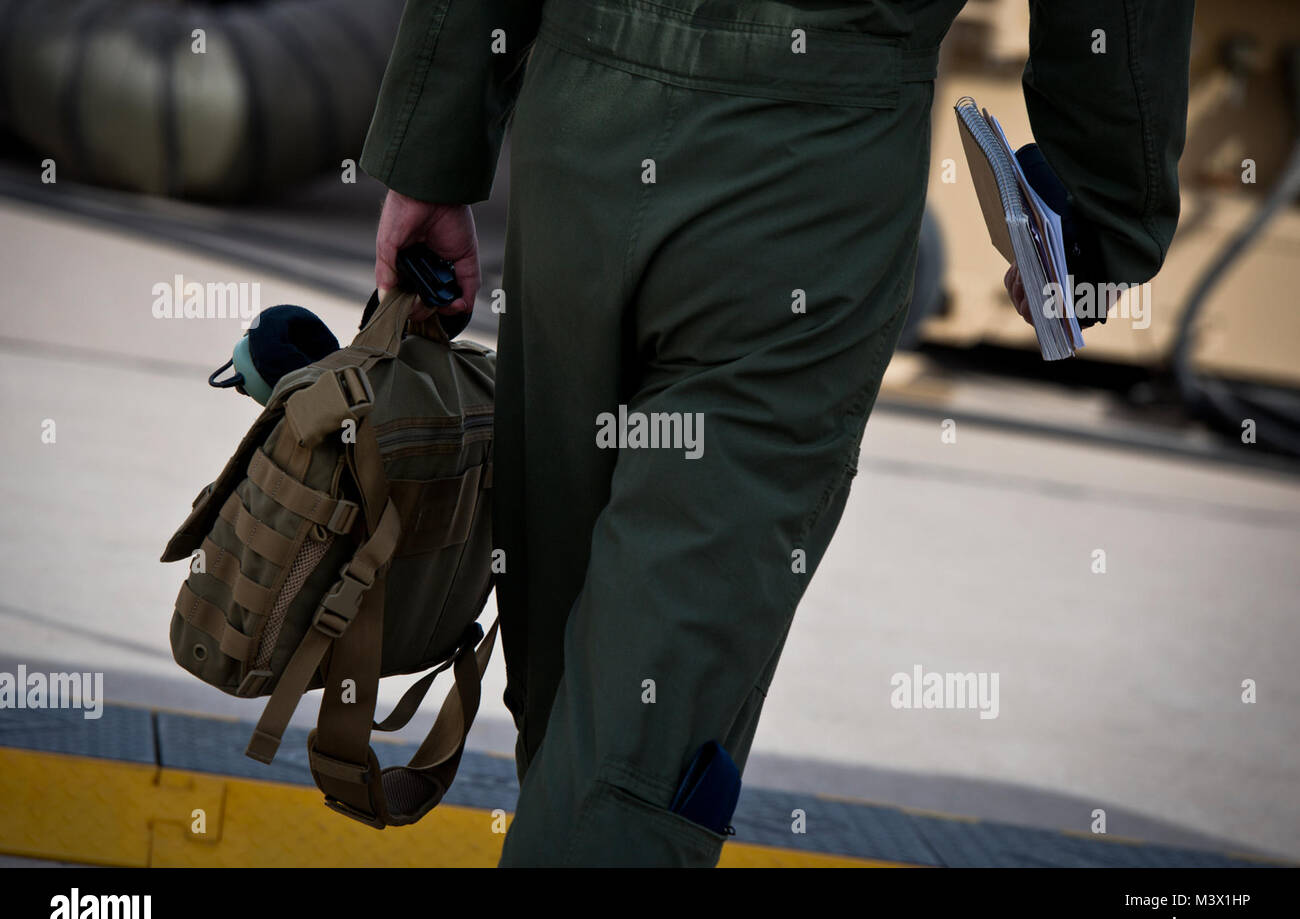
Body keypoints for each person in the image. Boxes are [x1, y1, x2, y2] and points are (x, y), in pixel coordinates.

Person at [361, 0, 1194, 866]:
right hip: (808, 178)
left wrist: (434, 148)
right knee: (640, 728)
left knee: (570, 675)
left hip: (580, 140)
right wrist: (1100, 209)